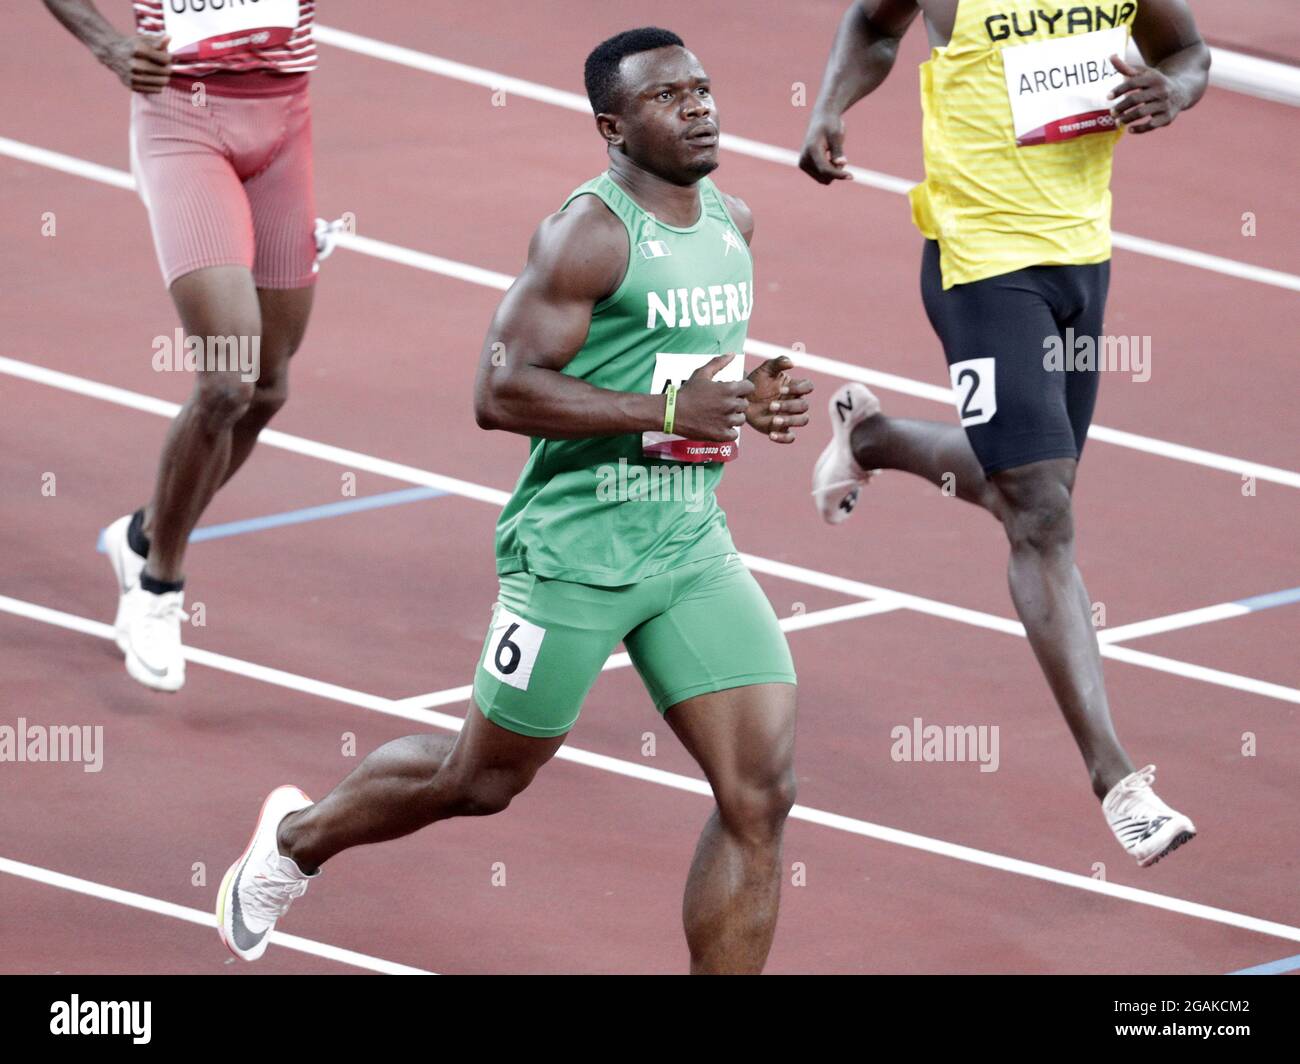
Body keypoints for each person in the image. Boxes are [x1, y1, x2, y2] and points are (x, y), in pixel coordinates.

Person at [216, 27, 815, 974]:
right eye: (667, 97)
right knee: (481, 780)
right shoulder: (587, 235)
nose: (698, 106)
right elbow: (499, 392)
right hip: (575, 554)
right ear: (612, 128)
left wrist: (751, 394)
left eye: (701, 88)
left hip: (690, 544)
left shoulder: (731, 223)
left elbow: (684, 373)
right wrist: (668, 410)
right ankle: (296, 842)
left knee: (762, 794)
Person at [801, 0, 1209, 866]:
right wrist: (830, 105)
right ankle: (1118, 782)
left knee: (1023, 486)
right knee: (1041, 513)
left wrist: (1171, 91)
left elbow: (1188, 52)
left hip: (1083, 254)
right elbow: (873, 24)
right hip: (981, 259)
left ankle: (871, 439)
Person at [45, 0, 321, 692]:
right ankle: (157, 588)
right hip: (181, 116)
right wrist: (109, 44)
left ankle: (142, 535)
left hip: (284, 120)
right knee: (226, 384)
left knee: (266, 388)